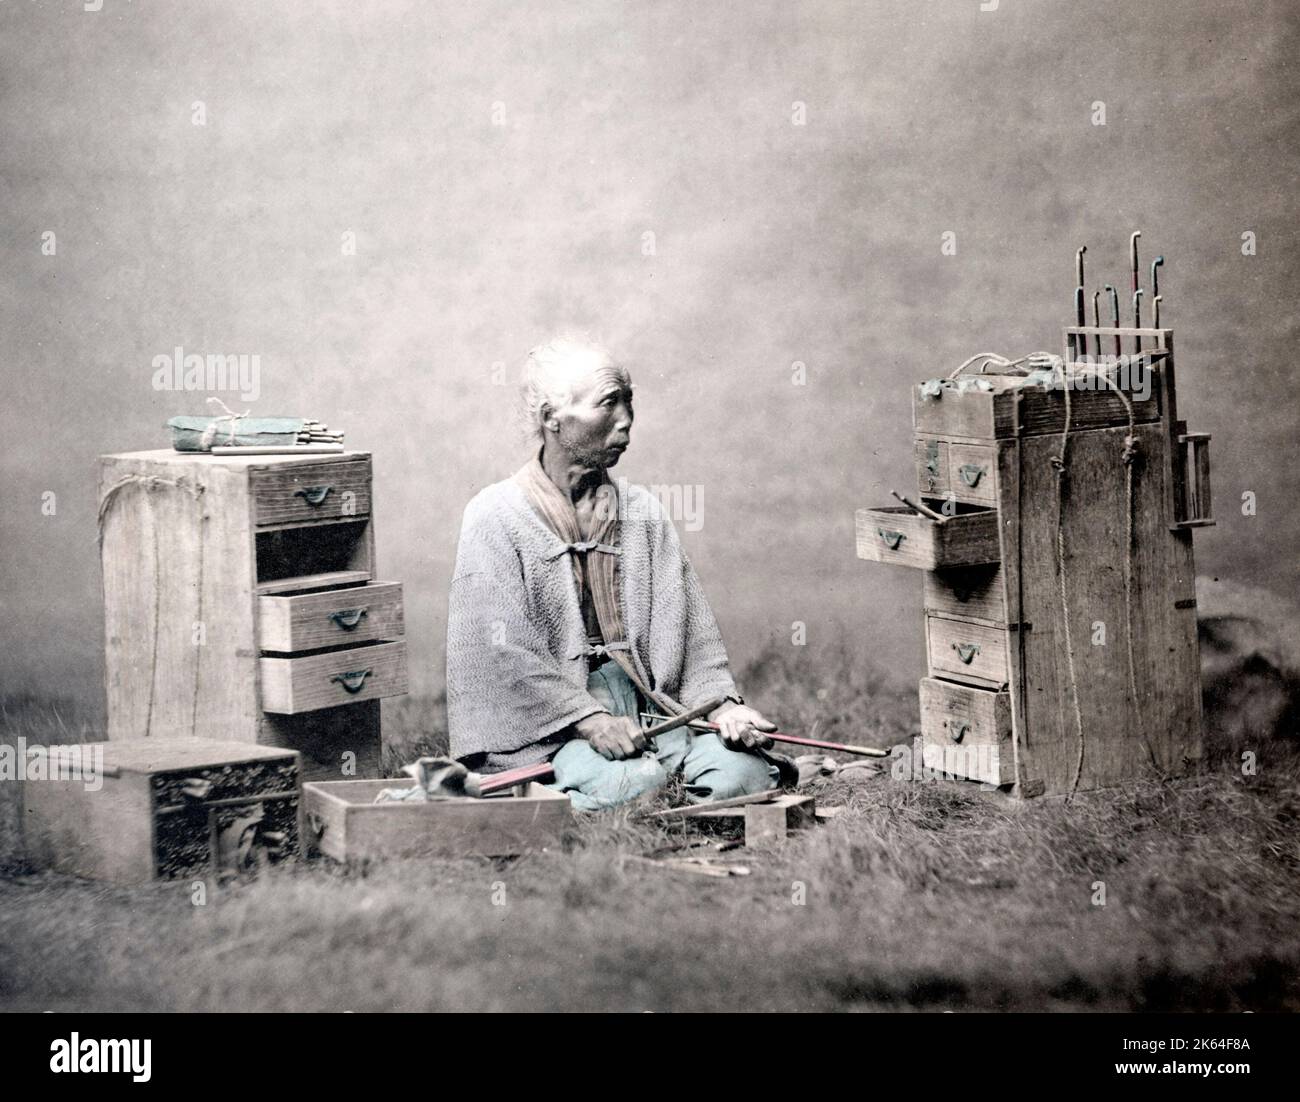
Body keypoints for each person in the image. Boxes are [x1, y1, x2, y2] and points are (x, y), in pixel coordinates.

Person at [446, 336, 786, 810]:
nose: (626, 419)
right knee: (637, 786)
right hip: (549, 727)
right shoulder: (494, 516)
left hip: (651, 708)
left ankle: (632, 784)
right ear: (551, 417)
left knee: (743, 776)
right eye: (609, 403)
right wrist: (589, 720)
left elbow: (692, 636)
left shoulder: (642, 512)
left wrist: (724, 706)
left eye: (629, 401)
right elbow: (502, 651)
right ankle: (577, 786)